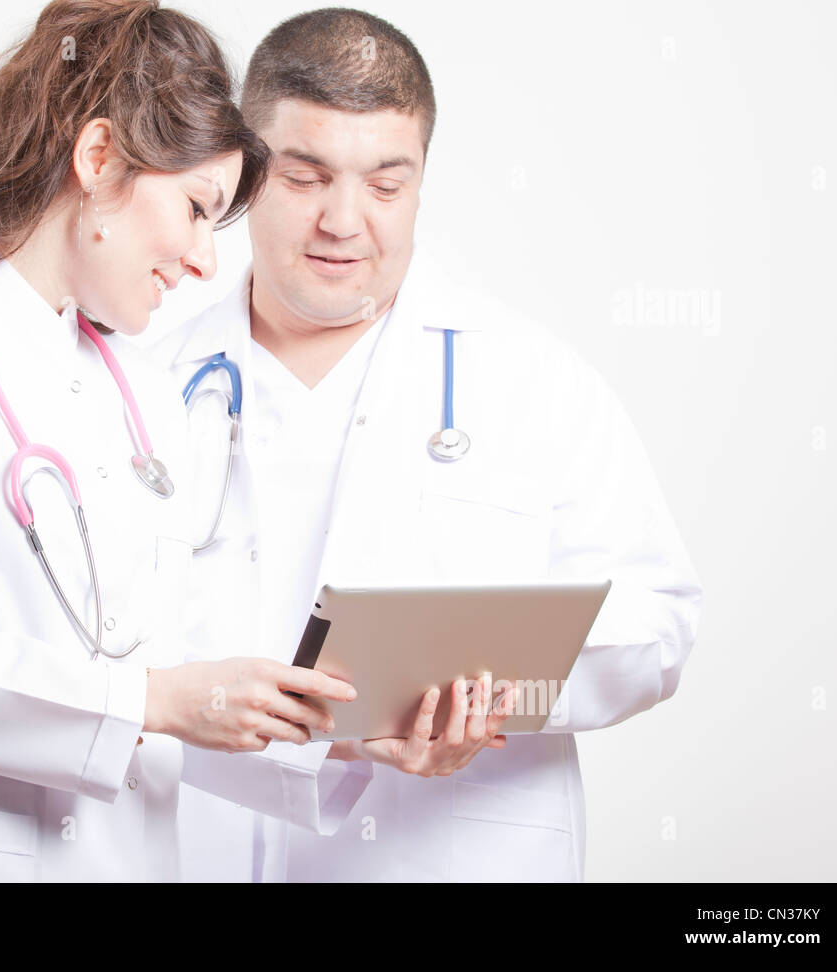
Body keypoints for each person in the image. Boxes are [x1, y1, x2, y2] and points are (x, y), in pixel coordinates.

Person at [0, 0, 363, 883]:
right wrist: (155, 698)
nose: (207, 261)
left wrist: (341, 739)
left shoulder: (148, 396)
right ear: (98, 160)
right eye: (198, 209)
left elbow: (156, 707)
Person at [152, 7, 703, 882]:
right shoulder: (141, 376)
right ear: (248, 173)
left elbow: (659, 624)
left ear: (420, 181)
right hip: (190, 849)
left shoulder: (534, 382)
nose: (344, 220)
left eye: (385, 183)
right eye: (306, 177)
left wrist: (494, 691)